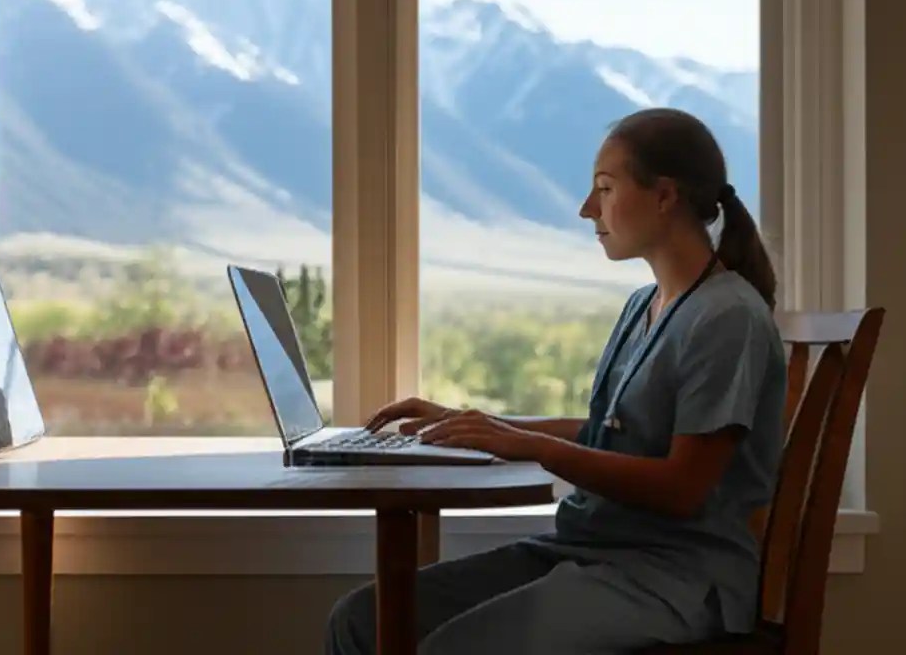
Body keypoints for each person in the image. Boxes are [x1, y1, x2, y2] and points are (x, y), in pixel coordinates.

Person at [326, 107, 787, 654]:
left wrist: (531, 446)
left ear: (665, 196)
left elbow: (682, 488)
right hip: (594, 550)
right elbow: (612, 431)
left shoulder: (726, 316)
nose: (587, 208)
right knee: (360, 621)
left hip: (677, 576)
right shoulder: (645, 304)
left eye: (605, 188)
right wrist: (480, 426)